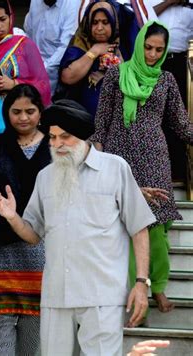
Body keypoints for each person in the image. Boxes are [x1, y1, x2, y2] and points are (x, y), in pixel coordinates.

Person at [0, 99, 155, 355]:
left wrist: (141, 283)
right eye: (52, 137)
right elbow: (34, 234)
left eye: (65, 137)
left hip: (102, 296)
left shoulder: (115, 168)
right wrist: (12, 217)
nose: (57, 144)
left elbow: (139, 227)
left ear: (82, 137)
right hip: (57, 295)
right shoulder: (45, 177)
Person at [91, 21, 193, 314]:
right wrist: (99, 161)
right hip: (119, 157)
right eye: (148, 48)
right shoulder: (115, 75)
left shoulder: (166, 81)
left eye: (159, 50)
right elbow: (102, 122)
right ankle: (130, 291)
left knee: (156, 226)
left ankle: (157, 286)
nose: (151, 55)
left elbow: (181, 125)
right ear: (139, 45)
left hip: (154, 158)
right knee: (123, 225)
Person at [0, 84, 51, 355]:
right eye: (16, 111)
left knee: (35, 333)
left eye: (30, 111)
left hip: (42, 251)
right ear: (7, 113)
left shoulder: (56, 147)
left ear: (40, 112)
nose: (23, 118)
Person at [0, 0, 51, 145]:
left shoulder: (25, 45)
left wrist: (14, 84)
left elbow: (44, 85)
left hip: (25, 116)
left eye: (2, 19)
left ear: (10, 18)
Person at [59, 0, 139, 116]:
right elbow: (67, 77)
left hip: (118, 120)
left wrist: (118, 66)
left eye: (105, 22)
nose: (99, 28)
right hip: (83, 120)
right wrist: (94, 51)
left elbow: (135, 85)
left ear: (114, 23)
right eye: (95, 23)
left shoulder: (126, 46)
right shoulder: (80, 46)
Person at [149, 0, 193, 181]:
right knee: (155, 116)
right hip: (154, 61)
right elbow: (144, 18)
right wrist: (171, 2)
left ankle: (181, 173)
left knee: (180, 117)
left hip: (183, 63)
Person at [24, 0, 82, 96]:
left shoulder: (72, 4)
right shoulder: (35, 2)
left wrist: (41, 70)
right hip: (32, 71)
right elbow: (29, 32)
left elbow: (64, 46)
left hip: (56, 78)